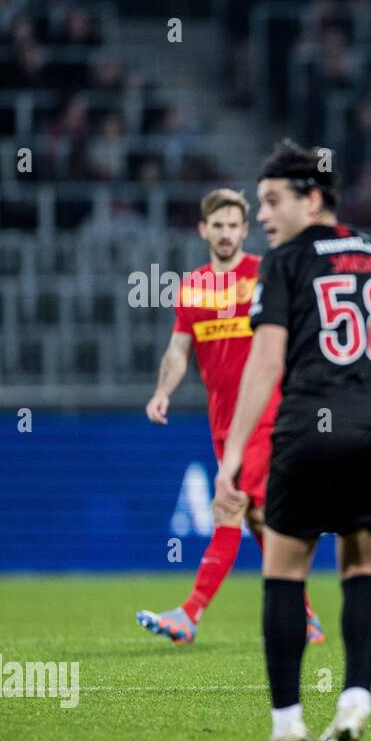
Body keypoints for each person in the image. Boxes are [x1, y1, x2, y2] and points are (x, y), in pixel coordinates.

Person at [216, 141, 371, 741]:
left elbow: (266, 357)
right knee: (363, 570)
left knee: (285, 573)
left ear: (311, 197)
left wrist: (232, 455)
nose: (260, 215)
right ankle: (355, 702)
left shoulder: (284, 261)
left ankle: (287, 722)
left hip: (308, 431)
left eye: (271, 200)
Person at [138, 188, 324, 646]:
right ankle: (305, 616)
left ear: (245, 230)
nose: (224, 234)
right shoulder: (193, 286)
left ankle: (189, 614)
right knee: (259, 519)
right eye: (216, 225)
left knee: (230, 505)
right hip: (223, 423)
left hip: (267, 416)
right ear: (204, 229)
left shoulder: (264, 275)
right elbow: (180, 350)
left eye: (232, 226)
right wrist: (163, 390)